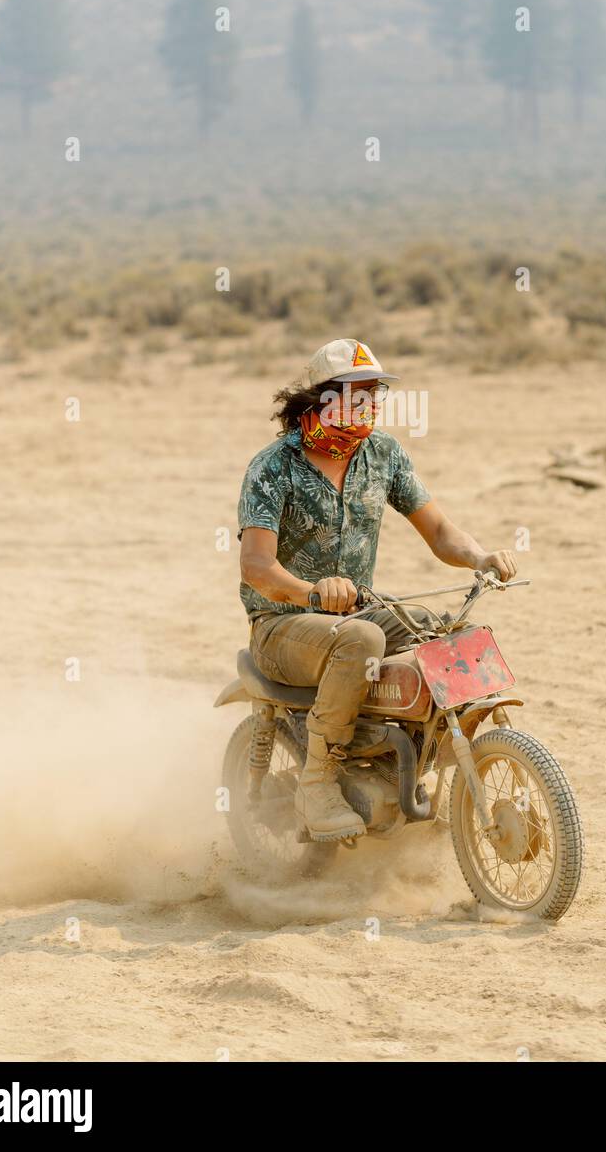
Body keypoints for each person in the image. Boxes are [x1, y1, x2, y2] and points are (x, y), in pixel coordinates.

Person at [237, 338, 518, 842]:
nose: (366, 401)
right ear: (322, 397)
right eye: (353, 391)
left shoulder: (383, 454)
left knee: (450, 632)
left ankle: (436, 761)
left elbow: (439, 532)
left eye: (373, 391)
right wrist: (313, 593)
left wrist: (480, 557)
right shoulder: (273, 466)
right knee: (361, 642)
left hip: (359, 611)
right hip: (282, 627)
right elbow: (257, 567)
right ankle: (317, 783)